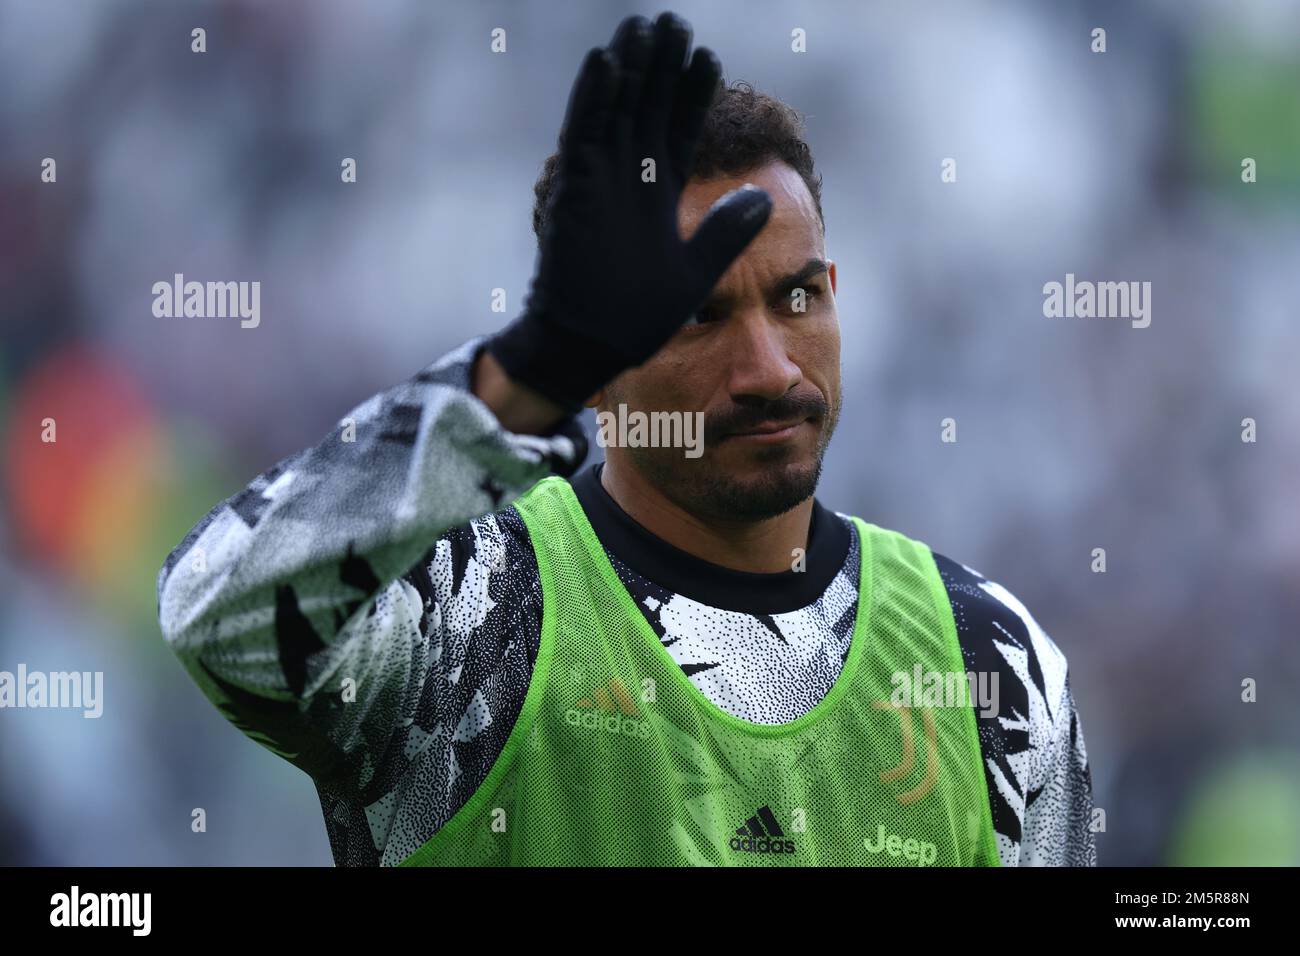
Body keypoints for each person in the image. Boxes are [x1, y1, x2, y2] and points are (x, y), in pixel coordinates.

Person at [157, 11, 1095, 866]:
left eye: (796, 296)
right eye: (699, 315)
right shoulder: (478, 617)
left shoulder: (989, 664)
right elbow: (216, 616)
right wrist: (522, 376)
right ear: (598, 357)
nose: (770, 367)